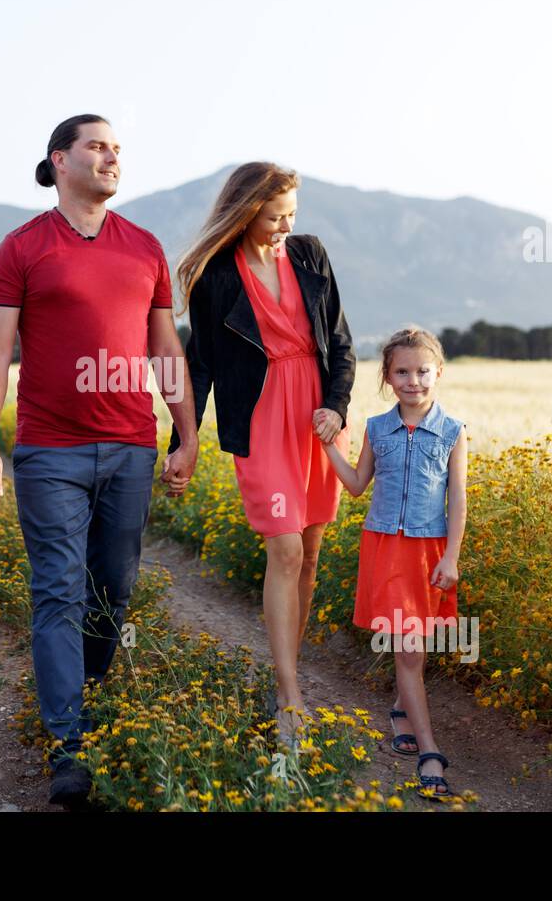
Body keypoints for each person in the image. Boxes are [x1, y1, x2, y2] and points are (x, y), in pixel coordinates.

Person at [0, 114, 199, 808]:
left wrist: (185, 433)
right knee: (58, 591)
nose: (111, 157)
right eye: (97, 146)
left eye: (118, 149)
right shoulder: (21, 248)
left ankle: (89, 699)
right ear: (59, 161)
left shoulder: (146, 247)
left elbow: (166, 350)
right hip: (50, 452)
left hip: (130, 447)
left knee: (113, 591)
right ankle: (70, 743)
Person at [167, 162, 355, 748]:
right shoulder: (215, 276)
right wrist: (185, 440)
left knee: (312, 551)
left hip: (316, 417)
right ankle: (291, 693)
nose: (285, 226)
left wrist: (339, 408)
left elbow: (341, 343)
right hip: (261, 416)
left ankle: (286, 673)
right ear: (245, 211)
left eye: (291, 215)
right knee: (285, 546)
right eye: (275, 217)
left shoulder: (311, 255)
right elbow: (199, 365)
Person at [323, 326, 468, 801]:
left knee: (415, 648)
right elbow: (356, 484)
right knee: (407, 650)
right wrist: (327, 445)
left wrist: (451, 556)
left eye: (422, 371)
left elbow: (458, 502)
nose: (413, 380)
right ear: (387, 378)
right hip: (384, 546)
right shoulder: (376, 428)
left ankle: (402, 712)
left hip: (429, 550)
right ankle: (429, 751)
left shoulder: (452, 432)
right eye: (401, 372)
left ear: (438, 372)